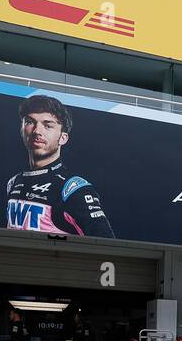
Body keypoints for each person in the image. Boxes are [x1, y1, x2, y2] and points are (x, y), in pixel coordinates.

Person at [7, 93, 114, 237]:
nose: (37, 131)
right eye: (30, 122)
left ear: (63, 138)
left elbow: (107, 244)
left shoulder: (73, 189)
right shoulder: (14, 182)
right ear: (22, 129)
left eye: (48, 125)